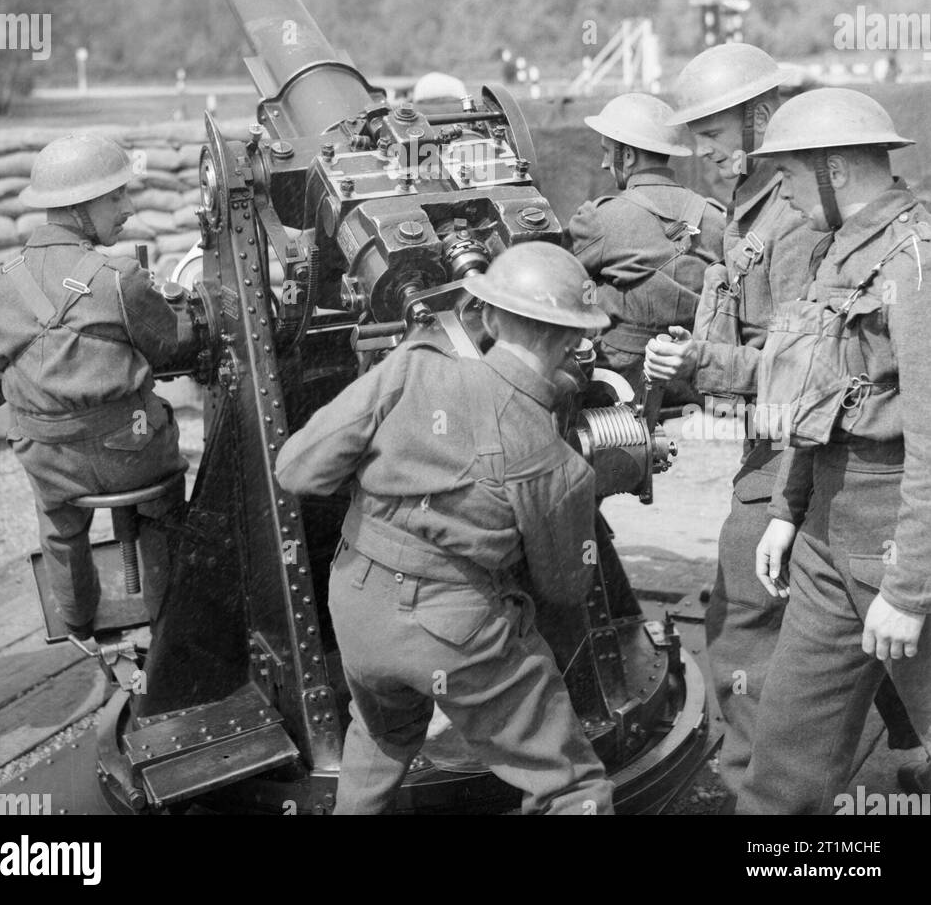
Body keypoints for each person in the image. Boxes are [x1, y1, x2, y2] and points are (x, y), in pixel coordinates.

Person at [273, 240, 615, 816]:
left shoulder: (413, 364)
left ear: (490, 313)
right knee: (571, 786)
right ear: (574, 338)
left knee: (384, 735)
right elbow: (564, 589)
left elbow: (297, 468)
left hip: (357, 607)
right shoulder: (556, 465)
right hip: (452, 633)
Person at [731, 89, 931, 814]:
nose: (779, 196)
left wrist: (907, 592)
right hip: (823, 535)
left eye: (784, 178)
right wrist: (787, 507)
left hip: (898, 535)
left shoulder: (915, 261)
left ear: (834, 169)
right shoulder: (837, 253)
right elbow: (821, 391)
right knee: (783, 768)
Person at [642, 43, 824, 810]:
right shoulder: (754, 204)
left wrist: (695, 364)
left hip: (790, 454)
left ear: (759, 116)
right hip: (772, 442)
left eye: (713, 135)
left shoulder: (790, 219)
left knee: (742, 623)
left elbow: (797, 366)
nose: (702, 154)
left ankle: (757, 797)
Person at [0, 134, 194, 640]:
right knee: (162, 504)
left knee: (60, 525)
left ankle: (77, 625)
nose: (129, 207)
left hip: (49, 461)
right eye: (115, 197)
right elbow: (170, 349)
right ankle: (172, 624)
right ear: (77, 205)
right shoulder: (120, 277)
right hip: (133, 452)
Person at [567, 92, 725, 398]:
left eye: (606, 152)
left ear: (627, 156)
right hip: (690, 376)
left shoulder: (600, 218)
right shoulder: (714, 217)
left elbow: (563, 276)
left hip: (620, 377)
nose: (602, 163)